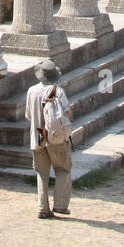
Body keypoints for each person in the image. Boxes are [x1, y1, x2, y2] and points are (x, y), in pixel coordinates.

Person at [25, 59, 72, 219]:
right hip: (55, 135)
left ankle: (43, 207)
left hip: (38, 134)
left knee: (41, 173)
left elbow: (28, 115)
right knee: (63, 170)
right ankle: (60, 205)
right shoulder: (58, 91)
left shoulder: (31, 91)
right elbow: (66, 114)